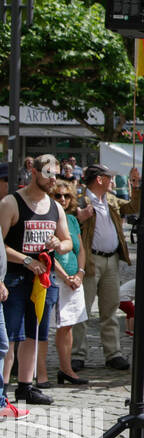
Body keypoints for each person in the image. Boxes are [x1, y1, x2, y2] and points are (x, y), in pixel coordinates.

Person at [0, 155, 73, 406]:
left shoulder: (56, 207)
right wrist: (26, 260)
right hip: (14, 278)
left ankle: (26, 387)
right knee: (9, 336)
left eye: (56, 174)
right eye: (48, 173)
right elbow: (0, 245)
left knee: (35, 333)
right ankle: (2, 389)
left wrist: (59, 244)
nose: (53, 179)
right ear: (33, 171)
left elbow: (68, 243)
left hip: (42, 280)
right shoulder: (12, 203)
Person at [71, 162, 139, 372]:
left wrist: (136, 185)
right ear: (100, 179)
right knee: (82, 310)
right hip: (90, 260)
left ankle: (113, 353)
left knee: (110, 309)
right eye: (109, 177)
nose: (112, 181)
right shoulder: (79, 200)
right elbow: (65, 222)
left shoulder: (110, 199)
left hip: (111, 260)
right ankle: (77, 354)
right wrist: (78, 217)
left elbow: (133, 207)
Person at [50, 178, 90, 386]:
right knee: (61, 324)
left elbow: (80, 249)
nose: (63, 199)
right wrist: (66, 277)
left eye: (66, 196)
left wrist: (80, 274)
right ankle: (64, 368)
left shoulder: (72, 220)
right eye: (58, 196)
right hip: (58, 278)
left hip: (75, 277)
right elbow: (48, 254)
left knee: (69, 325)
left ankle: (66, 368)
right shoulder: (48, 219)